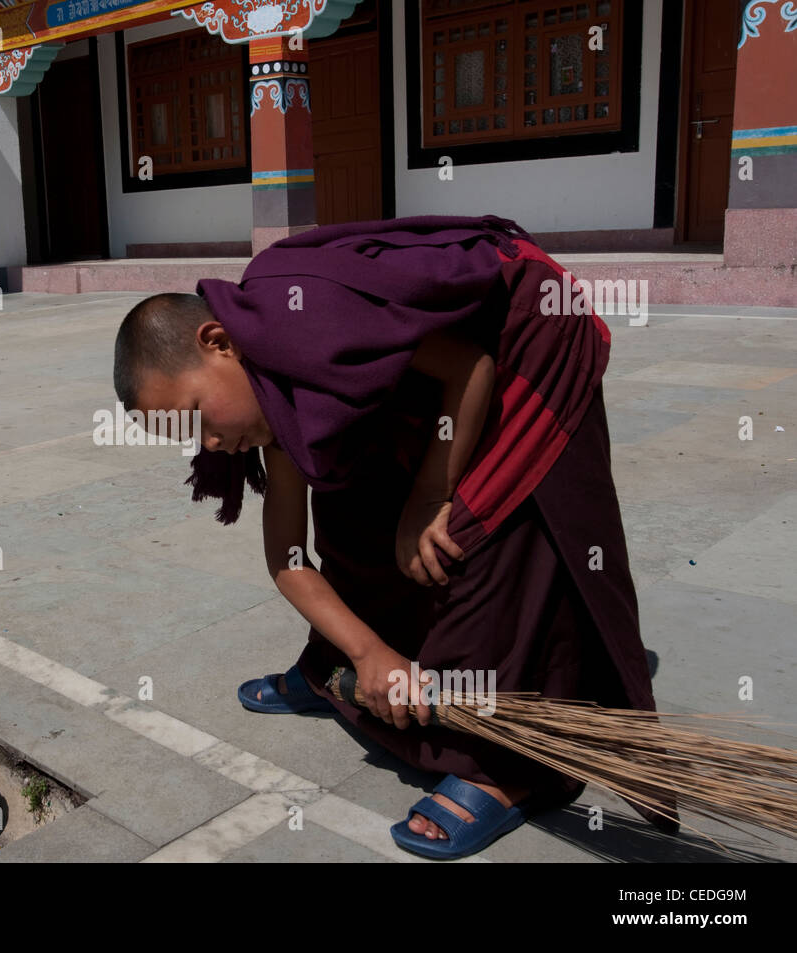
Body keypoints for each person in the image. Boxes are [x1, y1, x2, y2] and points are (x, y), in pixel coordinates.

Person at [111, 214, 678, 858]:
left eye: (198, 418)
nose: (211, 445)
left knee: (464, 537)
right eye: (191, 440)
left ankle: (499, 769)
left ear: (218, 342)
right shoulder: (267, 391)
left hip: (519, 342)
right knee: (352, 524)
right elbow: (289, 557)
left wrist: (433, 495)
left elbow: (469, 366)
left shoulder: (300, 320)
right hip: (441, 381)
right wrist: (366, 653)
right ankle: (327, 673)